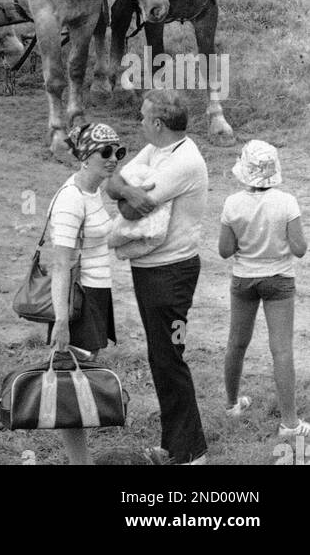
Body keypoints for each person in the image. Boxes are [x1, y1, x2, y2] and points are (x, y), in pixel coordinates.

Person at [107, 90, 209, 466]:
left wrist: (126, 193)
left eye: (142, 116)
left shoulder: (182, 162)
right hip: (153, 270)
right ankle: (177, 446)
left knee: (169, 357)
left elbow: (131, 211)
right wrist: (128, 192)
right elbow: (114, 183)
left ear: (157, 123)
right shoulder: (158, 151)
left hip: (172, 274)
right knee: (161, 356)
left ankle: (190, 452)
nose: (139, 121)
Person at [219, 141, 308, 439]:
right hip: (279, 280)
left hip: (244, 279)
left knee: (236, 343)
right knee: (281, 349)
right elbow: (299, 249)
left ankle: (232, 404)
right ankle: (290, 423)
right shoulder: (286, 202)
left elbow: (224, 250)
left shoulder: (232, 203)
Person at [49, 122, 123, 466]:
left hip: (96, 293)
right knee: (71, 383)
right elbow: (60, 264)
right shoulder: (71, 198)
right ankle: (79, 462)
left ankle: (81, 460)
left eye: (118, 152)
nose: (113, 159)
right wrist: (61, 320)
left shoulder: (94, 190)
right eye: (105, 153)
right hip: (78, 299)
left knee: (81, 376)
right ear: (84, 156)